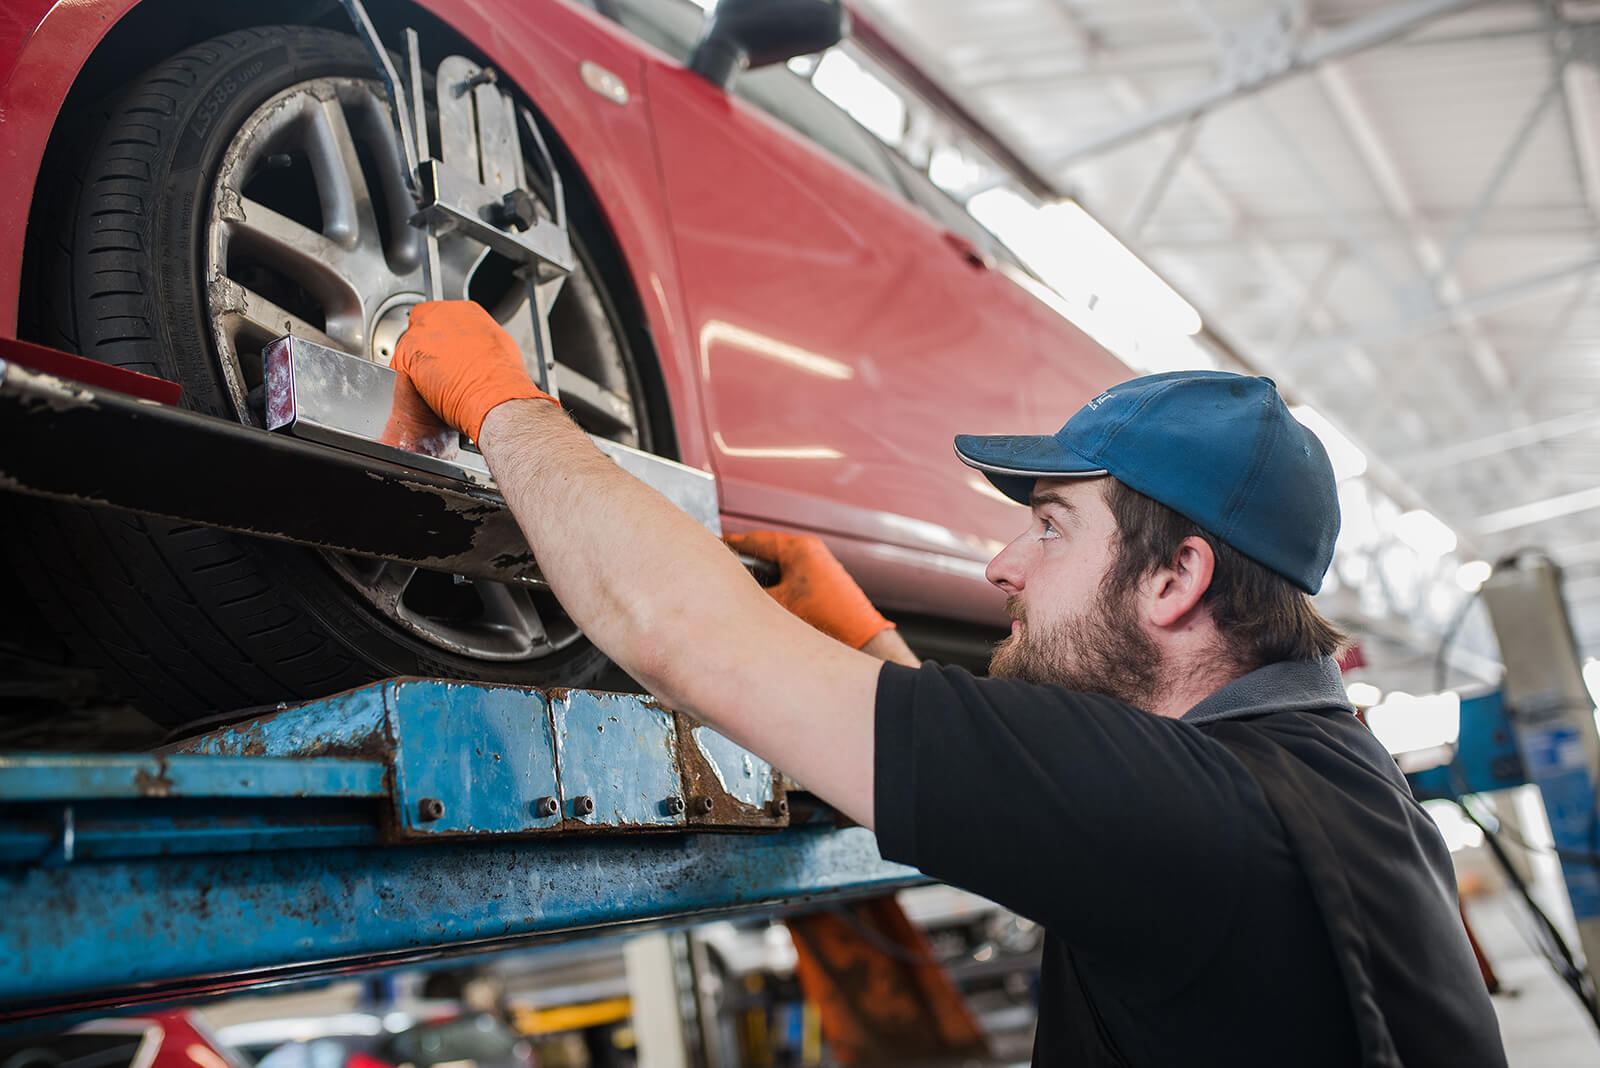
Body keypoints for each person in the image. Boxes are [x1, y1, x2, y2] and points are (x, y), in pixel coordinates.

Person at [389, 301, 1507, 1066]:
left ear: (1175, 577)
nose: (1000, 566)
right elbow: (1042, 796)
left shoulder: (1198, 815)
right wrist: (867, 644)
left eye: (1050, 529)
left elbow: (675, 631)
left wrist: (499, 406)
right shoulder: (1316, 772)